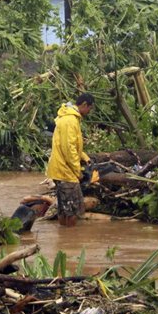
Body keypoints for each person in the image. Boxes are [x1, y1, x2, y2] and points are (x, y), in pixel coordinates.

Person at [46, 92, 94, 227]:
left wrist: (84, 157)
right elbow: (69, 149)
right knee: (72, 211)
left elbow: (72, 145)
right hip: (65, 171)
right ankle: (71, 242)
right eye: (90, 108)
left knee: (64, 209)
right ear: (84, 104)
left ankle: (64, 239)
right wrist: (77, 171)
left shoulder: (69, 118)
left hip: (61, 169)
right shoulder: (70, 120)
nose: (90, 111)